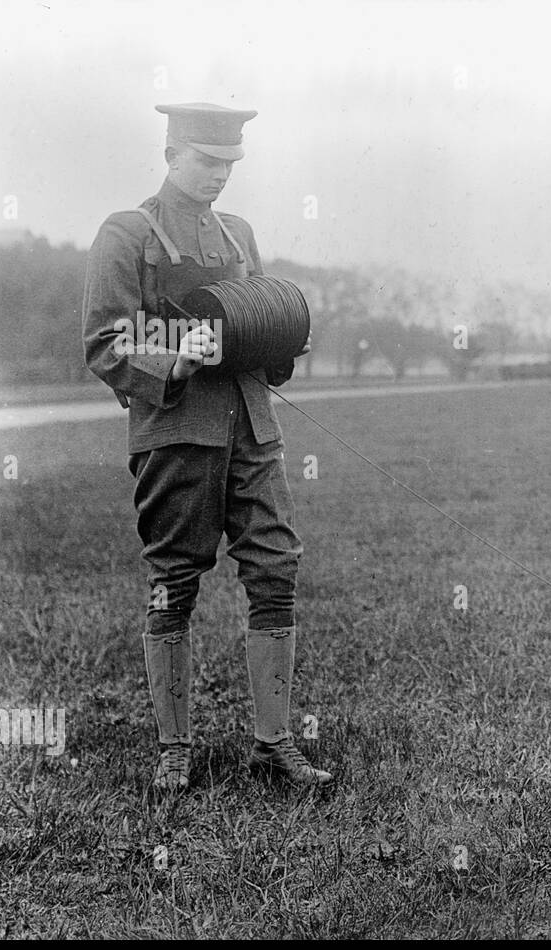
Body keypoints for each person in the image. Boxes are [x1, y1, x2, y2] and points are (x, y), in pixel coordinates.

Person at [82, 102, 331, 791]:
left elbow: (252, 331)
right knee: (173, 581)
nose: (220, 175)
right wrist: (176, 360)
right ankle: (174, 747)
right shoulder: (125, 233)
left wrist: (280, 341)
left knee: (277, 565)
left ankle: (272, 744)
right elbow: (104, 343)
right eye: (206, 161)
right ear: (170, 154)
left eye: (230, 164)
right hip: (175, 434)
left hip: (252, 429)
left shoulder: (238, 234)